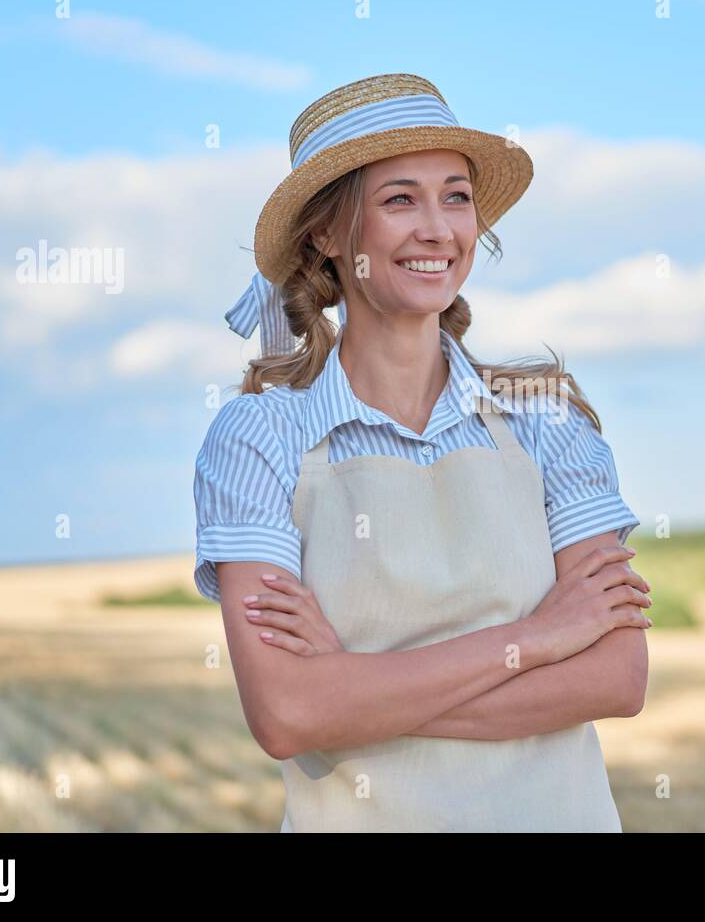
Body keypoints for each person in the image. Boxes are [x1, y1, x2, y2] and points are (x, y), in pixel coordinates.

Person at [194, 73, 652, 832]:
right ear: (328, 234)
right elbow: (285, 715)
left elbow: (617, 676)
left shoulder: (548, 420)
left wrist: (351, 691)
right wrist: (539, 638)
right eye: (400, 199)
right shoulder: (256, 439)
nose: (438, 229)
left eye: (457, 197)